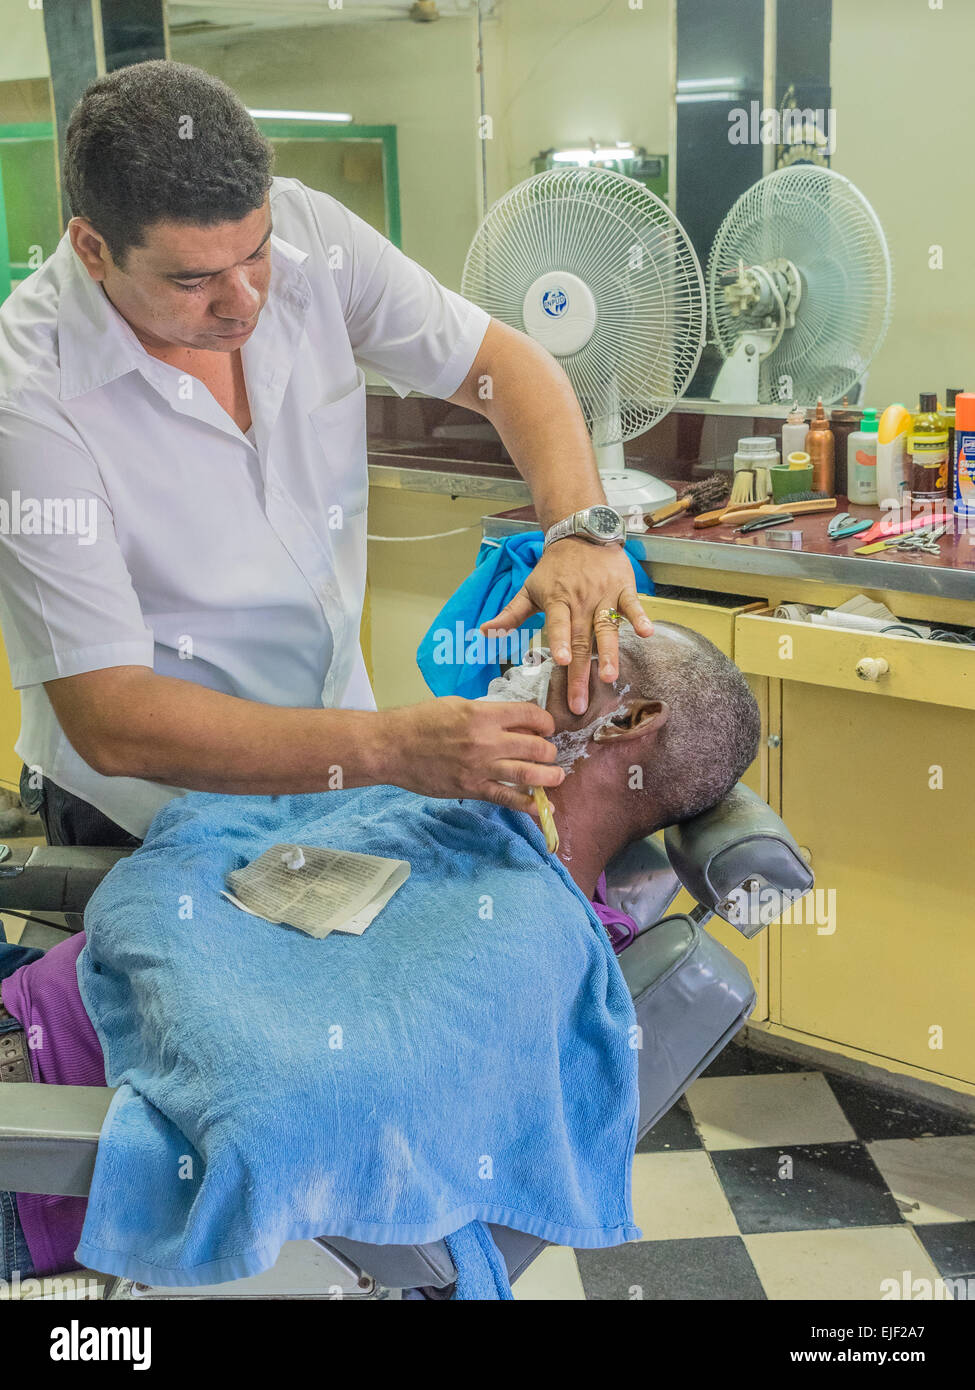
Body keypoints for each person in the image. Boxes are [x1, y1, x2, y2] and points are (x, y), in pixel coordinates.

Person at [0, 59, 654, 853]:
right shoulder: (29, 395)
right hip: (146, 811)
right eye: (195, 279)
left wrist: (580, 530)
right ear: (92, 248)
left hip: (339, 775)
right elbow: (112, 719)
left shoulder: (315, 237)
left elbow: (504, 368)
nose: (245, 301)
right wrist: (393, 747)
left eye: (256, 253)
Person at [0, 623, 760, 1288]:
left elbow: (290, 1108)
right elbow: (201, 842)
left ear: (627, 718)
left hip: (36, 1131)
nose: (527, 658)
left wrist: (162, 932)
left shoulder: (525, 934)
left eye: (564, 650)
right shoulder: (434, 809)